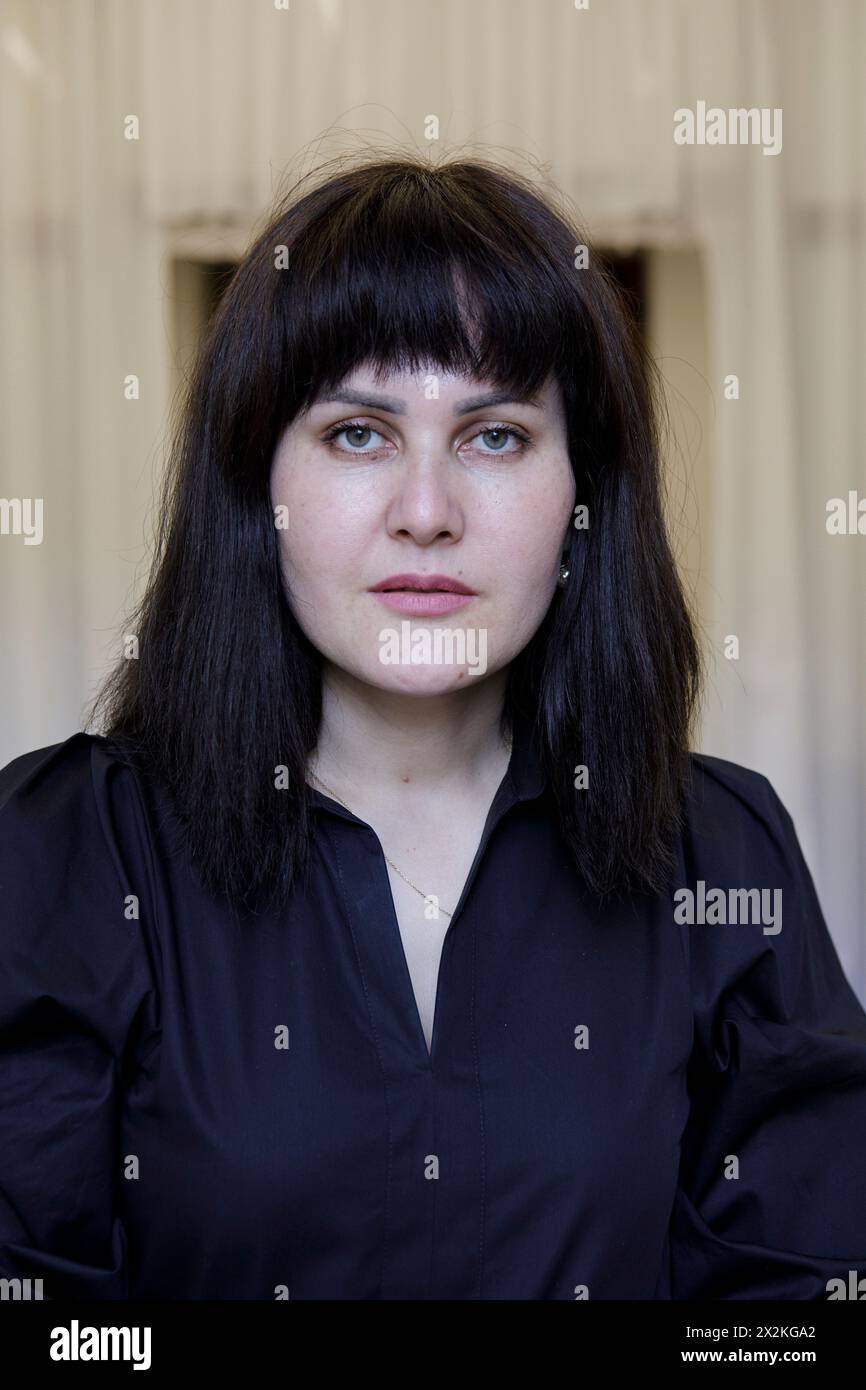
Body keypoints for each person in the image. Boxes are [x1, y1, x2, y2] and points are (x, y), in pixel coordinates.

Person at [1, 153, 865, 1301]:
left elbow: (790, 1316)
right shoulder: (69, 847)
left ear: (581, 499)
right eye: (358, 433)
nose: (425, 513)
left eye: (493, 435)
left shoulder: (717, 849)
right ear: (256, 490)